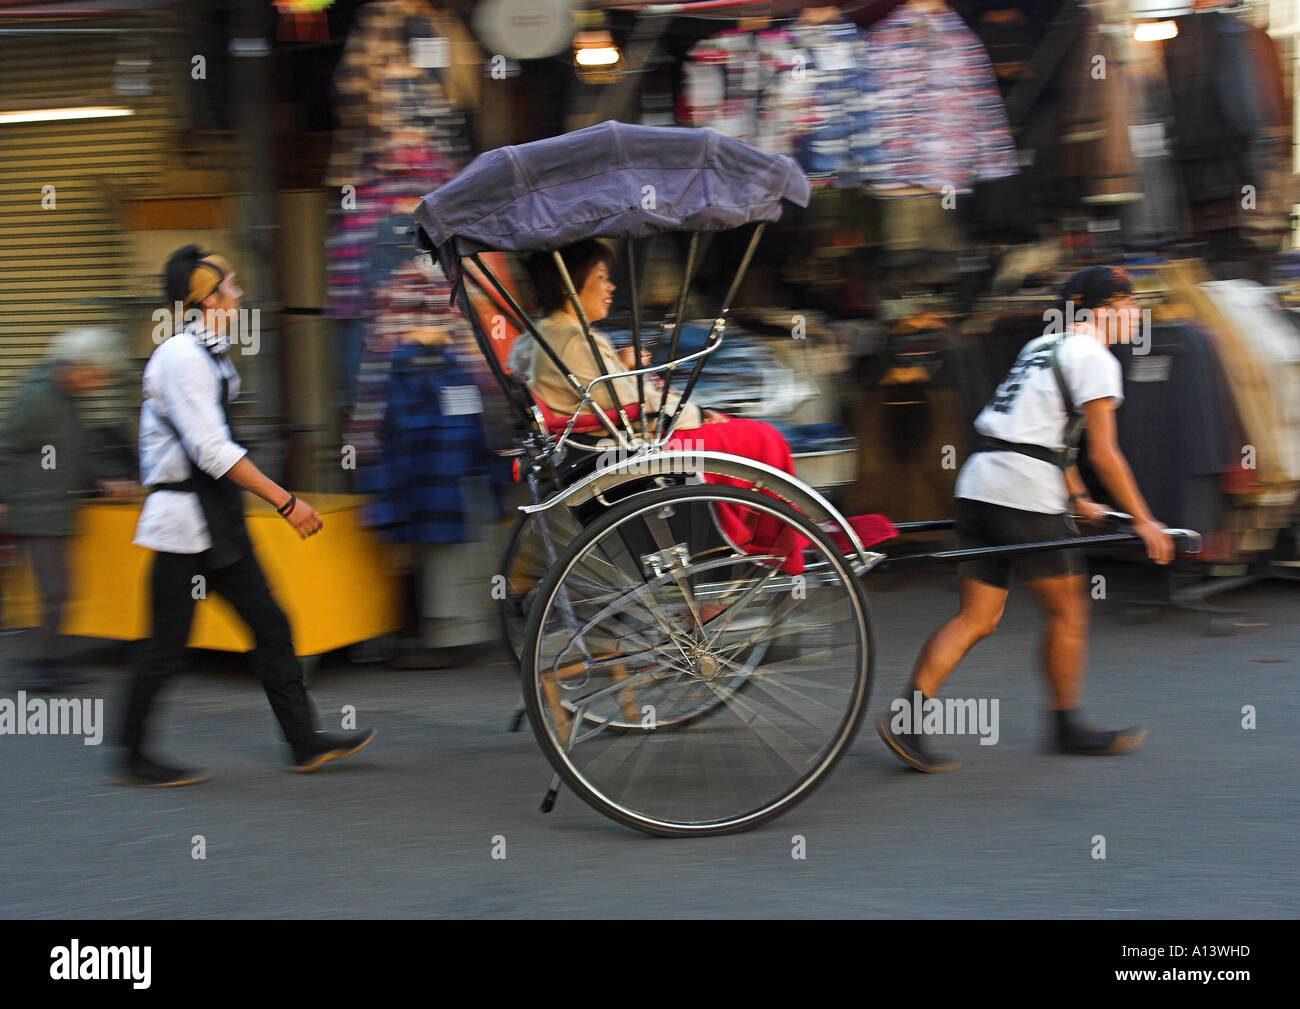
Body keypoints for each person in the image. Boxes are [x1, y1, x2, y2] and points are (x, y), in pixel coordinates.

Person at [878, 265, 1174, 772]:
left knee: (977, 617)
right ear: (1103, 310)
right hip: (1024, 493)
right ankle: (1066, 725)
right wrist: (1147, 521)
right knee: (1069, 611)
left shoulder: (1041, 346)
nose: (1136, 313)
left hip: (978, 481)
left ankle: (907, 721)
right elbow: (1103, 452)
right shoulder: (1097, 359)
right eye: (1129, 304)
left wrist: (1078, 498)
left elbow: (1044, 431)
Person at [119, 245, 374, 786]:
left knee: (271, 625)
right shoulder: (183, 358)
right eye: (229, 286)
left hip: (218, 518)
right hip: (185, 522)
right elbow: (211, 450)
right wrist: (285, 501)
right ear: (206, 298)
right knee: (166, 644)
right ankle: (131, 752)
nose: (237, 293)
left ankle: (304, 742)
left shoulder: (211, 354)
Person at [523, 240, 895, 571]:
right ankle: (775, 546)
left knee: (743, 435)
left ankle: (776, 535)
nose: (610, 288)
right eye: (602, 278)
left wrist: (623, 364)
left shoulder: (555, 334)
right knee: (765, 439)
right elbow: (634, 404)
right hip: (629, 451)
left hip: (612, 444)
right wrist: (698, 414)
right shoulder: (574, 340)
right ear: (570, 284)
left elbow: (612, 394)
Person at [0, 329, 134, 688]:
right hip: (37, 511)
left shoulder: (68, 398)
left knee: (59, 591)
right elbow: (7, 447)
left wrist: (105, 482)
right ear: (78, 366)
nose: (98, 384)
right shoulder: (38, 396)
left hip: (56, 509)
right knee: (56, 591)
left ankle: (46, 660)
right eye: (96, 376)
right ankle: (37, 664)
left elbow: (76, 452)